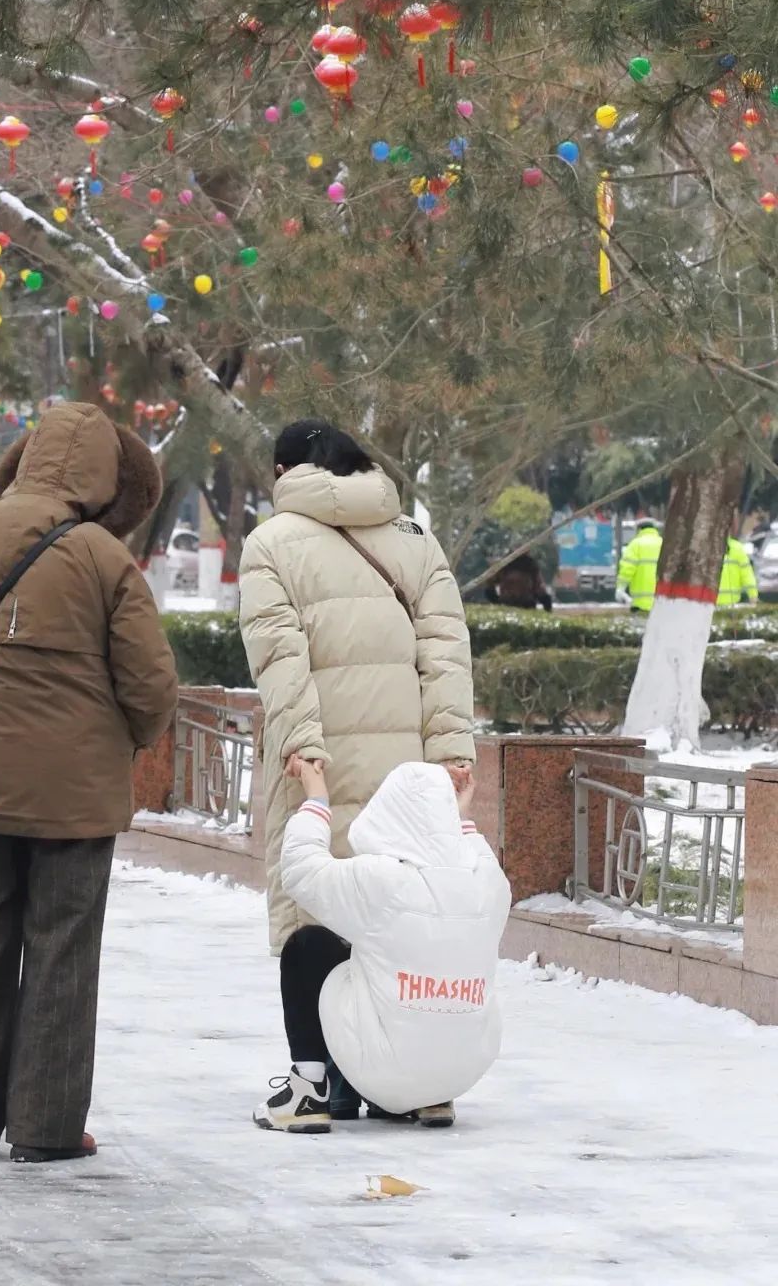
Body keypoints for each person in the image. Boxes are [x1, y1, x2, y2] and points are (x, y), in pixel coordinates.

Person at [0, 402, 178, 1164]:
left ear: (25, 459)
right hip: (76, 800)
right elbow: (151, 687)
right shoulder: (103, 557)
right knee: (61, 951)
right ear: (105, 478)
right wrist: (125, 739)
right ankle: (47, 1128)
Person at [239, 419, 475, 1130]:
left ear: (283, 472)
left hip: (323, 764)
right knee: (400, 917)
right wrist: (452, 753)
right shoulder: (413, 539)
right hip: (409, 776)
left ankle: (311, 1088)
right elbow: (445, 652)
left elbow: (281, 658)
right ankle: (412, 1081)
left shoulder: (272, 543)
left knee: (314, 910)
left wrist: (303, 746)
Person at [253, 758, 510, 1133]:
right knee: (442, 954)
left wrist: (317, 797)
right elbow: (461, 847)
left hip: (386, 1069)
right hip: (465, 1070)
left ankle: (307, 1092)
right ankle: (433, 1098)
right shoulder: (489, 880)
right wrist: (454, 814)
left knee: (308, 947)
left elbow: (301, 869)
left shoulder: (383, 881)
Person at [615, 518, 663, 612]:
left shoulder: (635, 544)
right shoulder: (662, 543)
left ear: (639, 529)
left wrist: (621, 587)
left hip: (640, 604)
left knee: (639, 626)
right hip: (660, 602)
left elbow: (627, 569)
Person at [484, 552, 553, 611]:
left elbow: (540, 591)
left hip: (525, 606)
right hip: (507, 605)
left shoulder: (530, 566)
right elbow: (490, 587)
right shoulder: (504, 566)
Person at [717, 535, 758, 608]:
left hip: (706, 604)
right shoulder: (737, 548)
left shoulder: (703, 547)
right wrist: (753, 596)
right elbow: (747, 575)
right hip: (730, 603)